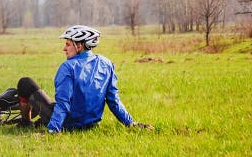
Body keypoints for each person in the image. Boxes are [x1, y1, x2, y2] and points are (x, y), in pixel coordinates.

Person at [17, 25, 152, 132]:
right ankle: (39, 121)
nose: (64, 48)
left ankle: (25, 123)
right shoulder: (106, 63)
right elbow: (114, 101)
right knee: (50, 110)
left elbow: (63, 104)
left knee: (25, 83)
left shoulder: (68, 67)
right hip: (90, 124)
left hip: (67, 124)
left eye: (68, 44)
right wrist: (131, 123)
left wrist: (52, 130)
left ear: (79, 45)